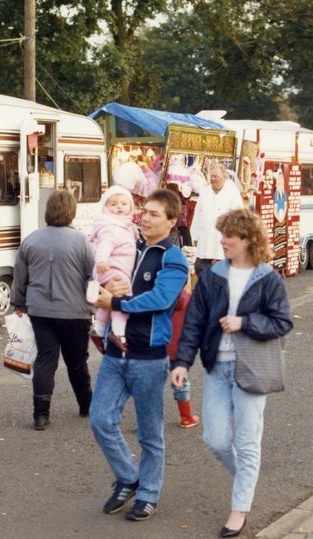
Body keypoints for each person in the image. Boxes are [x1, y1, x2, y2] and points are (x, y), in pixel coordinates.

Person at [170, 208, 293, 538]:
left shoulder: (268, 277)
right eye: (222, 234)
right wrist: (182, 362)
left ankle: (239, 508)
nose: (222, 241)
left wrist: (245, 323)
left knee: (248, 442)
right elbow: (194, 321)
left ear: (248, 240)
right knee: (216, 439)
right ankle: (246, 481)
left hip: (251, 367)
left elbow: (283, 322)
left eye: (229, 236)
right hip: (217, 367)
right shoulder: (212, 276)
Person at [90, 189, 190, 521]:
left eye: (155, 214)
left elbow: (161, 300)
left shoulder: (172, 258)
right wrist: (104, 290)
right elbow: (98, 281)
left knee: (150, 433)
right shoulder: (129, 245)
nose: (145, 218)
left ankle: (148, 493)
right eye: (144, 212)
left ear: (172, 221)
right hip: (115, 353)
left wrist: (115, 303)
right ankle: (129, 478)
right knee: (100, 419)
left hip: (149, 357)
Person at [10, 190, 94, 430]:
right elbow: (93, 276)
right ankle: (86, 404)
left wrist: (19, 302)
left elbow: (20, 276)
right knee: (77, 360)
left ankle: (41, 414)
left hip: (40, 310)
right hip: (74, 311)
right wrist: (94, 302)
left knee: (46, 359)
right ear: (72, 211)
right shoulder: (81, 241)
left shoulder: (32, 240)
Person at [88, 185, 138, 352]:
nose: (119, 207)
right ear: (105, 207)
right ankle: (118, 332)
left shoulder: (125, 226)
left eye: (124, 204)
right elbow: (105, 244)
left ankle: (99, 330)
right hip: (112, 269)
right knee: (122, 296)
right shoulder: (112, 226)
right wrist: (102, 260)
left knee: (109, 302)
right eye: (114, 204)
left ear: (131, 207)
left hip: (114, 268)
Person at [190, 162, 243, 276]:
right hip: (205, 240)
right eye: (211, 176)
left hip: (224, 242)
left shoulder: (233, 192)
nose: (213, 179)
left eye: (216, 177)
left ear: (224, 177)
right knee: (200, 268)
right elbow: (198, 214)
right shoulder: (205, 191)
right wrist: (194, 235)